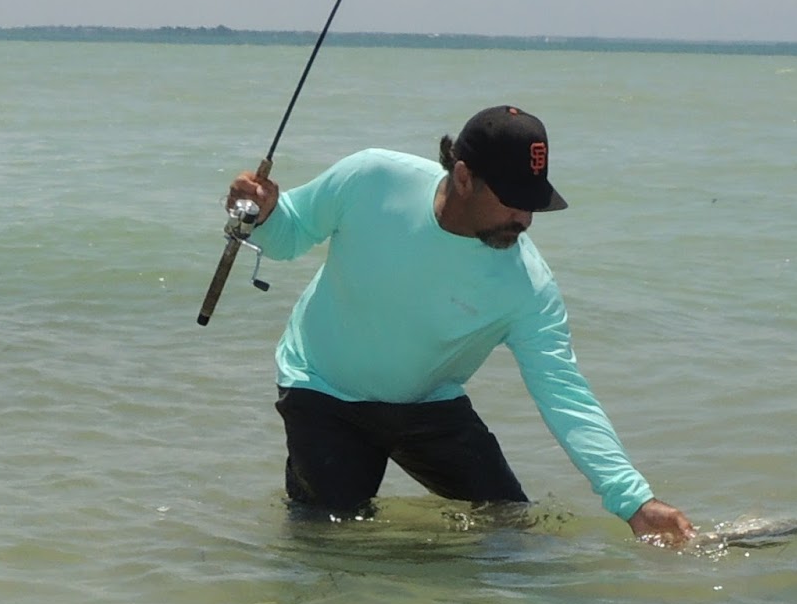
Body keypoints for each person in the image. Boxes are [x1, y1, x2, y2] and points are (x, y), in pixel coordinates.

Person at [226, 104, 695, 545]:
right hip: (323, 391)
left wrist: (635, 502)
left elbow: (565, 393)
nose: (525, 219)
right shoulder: (371, 179)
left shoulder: (527, 286)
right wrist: (263, 213)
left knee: (511, 534)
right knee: (331, 541)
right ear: (464, 177)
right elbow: (288, 235)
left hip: (430, 404)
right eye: (512, 201)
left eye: (534, 203)